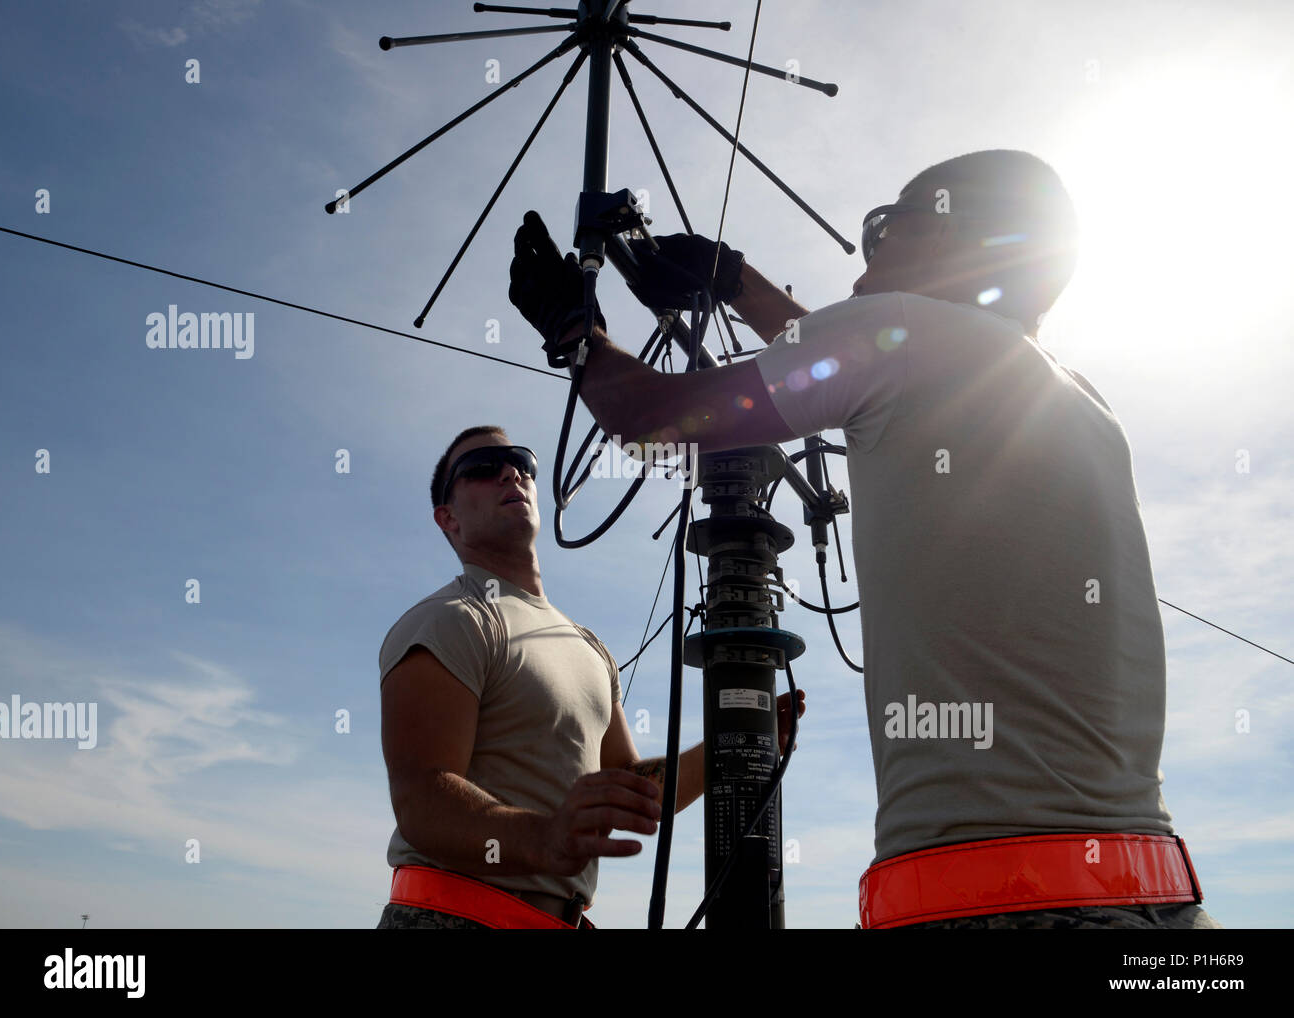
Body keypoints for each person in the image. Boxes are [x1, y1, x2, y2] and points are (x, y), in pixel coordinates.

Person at [507, 149, 1220, 929]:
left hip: (995, 909)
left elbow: (653, 420)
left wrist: (576, 332)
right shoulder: (1075, 400)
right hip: (1152, 901)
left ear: (956, 238)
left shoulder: (905, 335)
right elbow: (858, 354)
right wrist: (732, 276)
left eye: (885, 227)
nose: (866, 250)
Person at [376, 424, 806, 928]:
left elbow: (629, 782)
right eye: (481, 468)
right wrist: (545, 838)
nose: (509, 472)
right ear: (446, 518)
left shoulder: (587, 647)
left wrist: (733, 746)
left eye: (520, 462)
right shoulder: (452, 618)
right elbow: (423, 800)